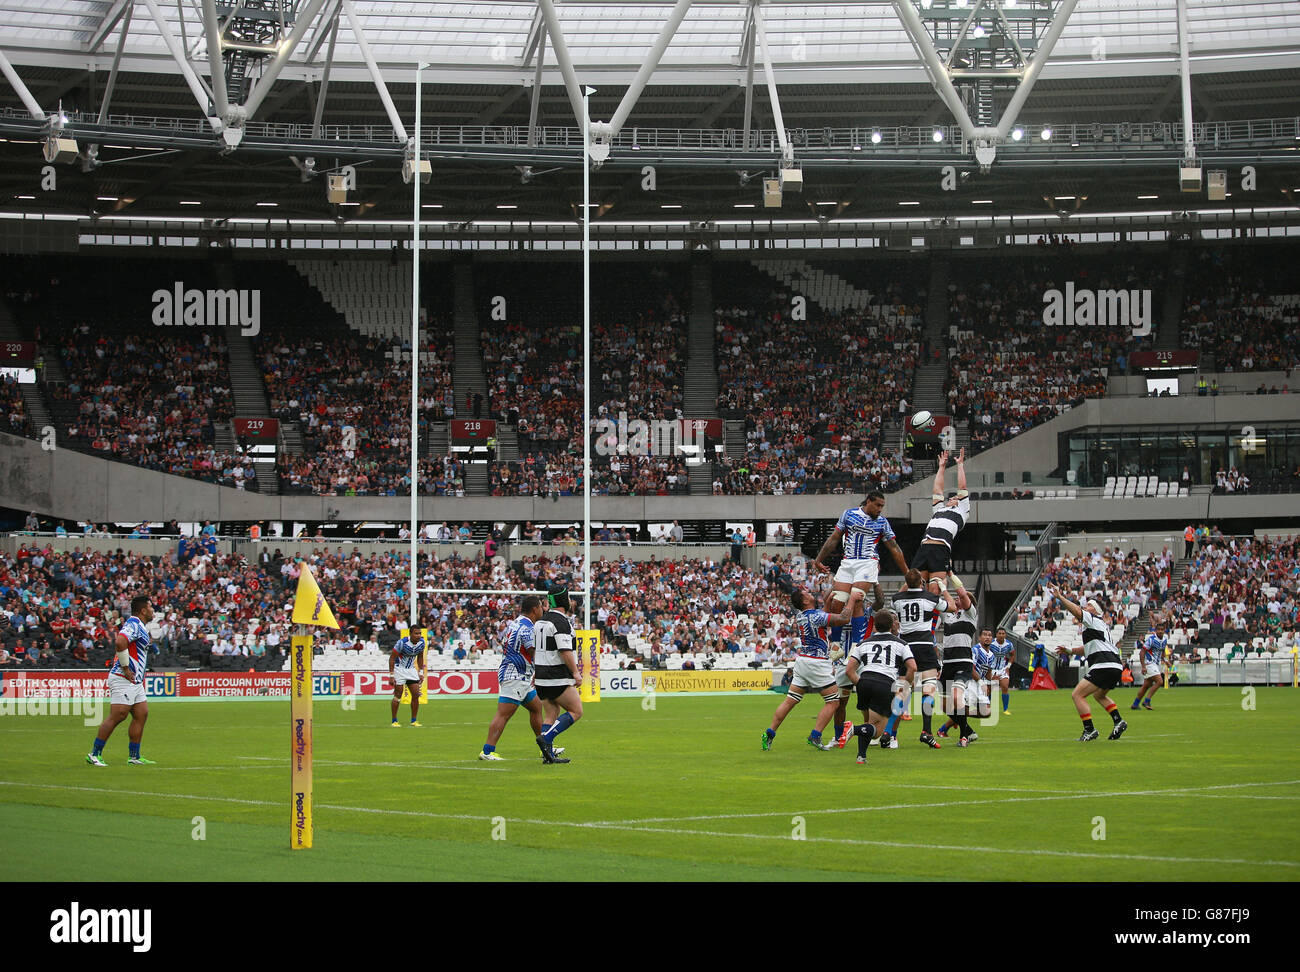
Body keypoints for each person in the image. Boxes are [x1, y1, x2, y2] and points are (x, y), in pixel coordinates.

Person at [762, 586, 864, 752]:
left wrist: (828, 601)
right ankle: (815, 735)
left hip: (802, 662)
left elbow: (819, 617)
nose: (810, 594)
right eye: (807, 594)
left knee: (790, 700)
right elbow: (844, 618)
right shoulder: (816, 616)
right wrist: (852, 599)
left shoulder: (802, 615)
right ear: (804, 600)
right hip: (817, 662)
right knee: (833, 702)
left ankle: (769, 732)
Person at [812, 490, 908, 662]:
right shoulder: (849, 515)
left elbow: (894, 548)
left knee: (856, 599)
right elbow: (834, 538)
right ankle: (836, 645)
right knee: (837, 600)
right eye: (878, 505)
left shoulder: (882, 522)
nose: (880, 509)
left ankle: (857, 646)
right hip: (848, 562)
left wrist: (907, 573)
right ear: (868, 502)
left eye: (882, 506)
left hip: (868, 562)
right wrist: (818, 560)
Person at [478, 595, 566, 762]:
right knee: (503, 714)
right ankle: (487, 751)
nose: (543, 610)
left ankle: (545, 746)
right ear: (535, 609)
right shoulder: (527, 629)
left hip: (521, 676)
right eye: (541, 607)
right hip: (515, 676)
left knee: (536, 708)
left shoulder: (516, 624)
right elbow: (535, 652)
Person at [1044, 584, 1128, 741]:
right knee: (1099, 695)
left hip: (1103, 665)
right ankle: (1118, 720)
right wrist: (1069, 651)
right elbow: (1087, 648)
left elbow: (1076, 611)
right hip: (1115, 666)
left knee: (1077, 695)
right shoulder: (1100, 626)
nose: (1086, 606)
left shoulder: (1093, 618)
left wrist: (1060, 597)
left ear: (1096, 610)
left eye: (1089, 605)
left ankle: (1089, 729)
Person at [886, 569, 957, 748]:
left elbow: (902, 592)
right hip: (925, 646)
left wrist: (912, 580)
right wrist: (943, 587)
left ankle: (889, 733)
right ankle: (926, 731)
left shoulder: (897, 599)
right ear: (922, 583)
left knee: (901, 692)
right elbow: (952, 606)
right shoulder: (929, 598)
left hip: (905, 646)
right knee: (929, 690)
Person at [86, 594, 156, 766]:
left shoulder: (140, 626)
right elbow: (120, 642)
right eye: (151, 607)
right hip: (123, 678)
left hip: (135, 682)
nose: (154, 610)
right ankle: (94, 754)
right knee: (118, 715)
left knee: (141, 714)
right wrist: (125, 667)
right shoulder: (133, 623)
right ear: (143, 610)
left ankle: (134, 756)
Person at [845, 609, 915, 765]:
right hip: (884, 683)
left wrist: (861, 684)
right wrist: (904, 686)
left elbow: (849, 670)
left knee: (869, 723)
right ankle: (853, 729)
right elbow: (913, 667)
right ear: (892, 626)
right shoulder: (901, 644)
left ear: (875, 626)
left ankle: (861, 756)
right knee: (878, 731)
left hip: (864, 681)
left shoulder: (863, 643)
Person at [533, 587, 581, 762]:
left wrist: (535, 674)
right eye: (568, 598)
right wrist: (576, 673)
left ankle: (548, 755)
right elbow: (565, 651)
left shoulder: (540, 622)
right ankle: (547, 739)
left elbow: (537, 649)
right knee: (576, 711)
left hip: (541, 677)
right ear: (563, 600)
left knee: (551, 713)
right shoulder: (561, 623)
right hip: (556, 676)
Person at [913, 449, 969, 587]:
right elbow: (937, 489)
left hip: (940, 548)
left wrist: (960, 465)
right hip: (924, 546)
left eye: (955, 497)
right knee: (913, 583)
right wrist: (941, 467)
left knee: (935, 587)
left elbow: (962, 487)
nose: (951, 498)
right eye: (951, 497)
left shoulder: (962, 510)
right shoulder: (939, 509)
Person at [934, 575, 979, 746]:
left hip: (963, 663)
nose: (956, 599)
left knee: (956, 695)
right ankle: (968, 730)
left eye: (959, 598)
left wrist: (949, 575)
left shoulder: (970, 615)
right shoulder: (949, 616)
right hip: (947, 665)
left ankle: (963, 737)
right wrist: (941, 586)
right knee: (945, 706)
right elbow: (944, 602)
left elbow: (960, 592)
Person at [389, 628, 426, 727]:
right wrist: (391, 675)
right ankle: (394, 720)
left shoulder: (422, 642)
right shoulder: (402, 643)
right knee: (398, 695)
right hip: (399, 669)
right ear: (411, 634)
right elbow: (392, 658)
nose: (418, 635)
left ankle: (414, 720)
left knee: (416, 694)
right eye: (416, 633)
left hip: (411, 670)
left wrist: (421, 672)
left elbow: (421, 657)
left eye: (419, 633)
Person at [1130, 621, 1169, 711]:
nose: (1160, 631)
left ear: (1164, 631)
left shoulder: (1164, 640)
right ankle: (1147, 701)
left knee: (1146, 685)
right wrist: (1143, 666)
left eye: (1162, 630)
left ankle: (1135, 704)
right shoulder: (1151, 639)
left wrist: (1166, 661)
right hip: (1149, 663)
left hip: (1156, 664)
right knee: (1160, 681)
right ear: (1155, 630)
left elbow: (1162, 652)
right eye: (1158, 629)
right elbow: (1142, 652)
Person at [988, 626, 1015, 714]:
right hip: (992, 669)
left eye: (1003, 634)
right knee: (990, 689)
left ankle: (1005, 709)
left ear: (1005, 635)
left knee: (1005, 687)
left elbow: (1013, 655)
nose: (1001, 635)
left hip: (1002, 669)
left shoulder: (1009, 644)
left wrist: (1008, 666)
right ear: (996, 635)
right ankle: (988, 708)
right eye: (999, 633)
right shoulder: (991, 643)